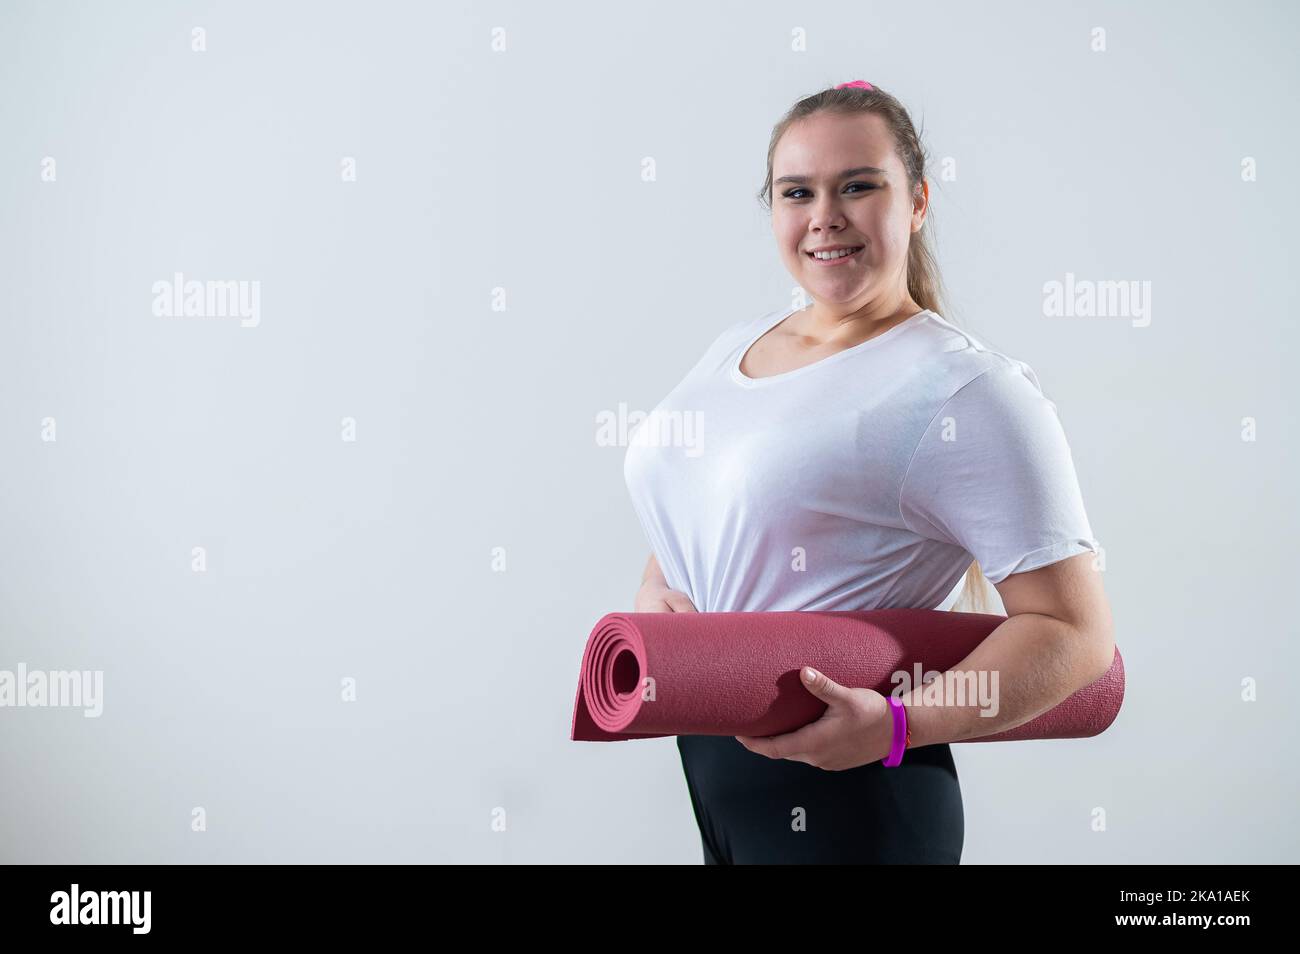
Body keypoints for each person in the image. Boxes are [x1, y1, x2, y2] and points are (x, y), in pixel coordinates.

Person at [622, 80, 1115, 864]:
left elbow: (1075, 635)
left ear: (917, 203)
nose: (826, 215)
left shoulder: (965, 389)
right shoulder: (736, 345)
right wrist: (660, 589)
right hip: (714, 768)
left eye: (859, 186)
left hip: (859, 797)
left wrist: (897, 727)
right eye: (798, 192)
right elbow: (710, 500)